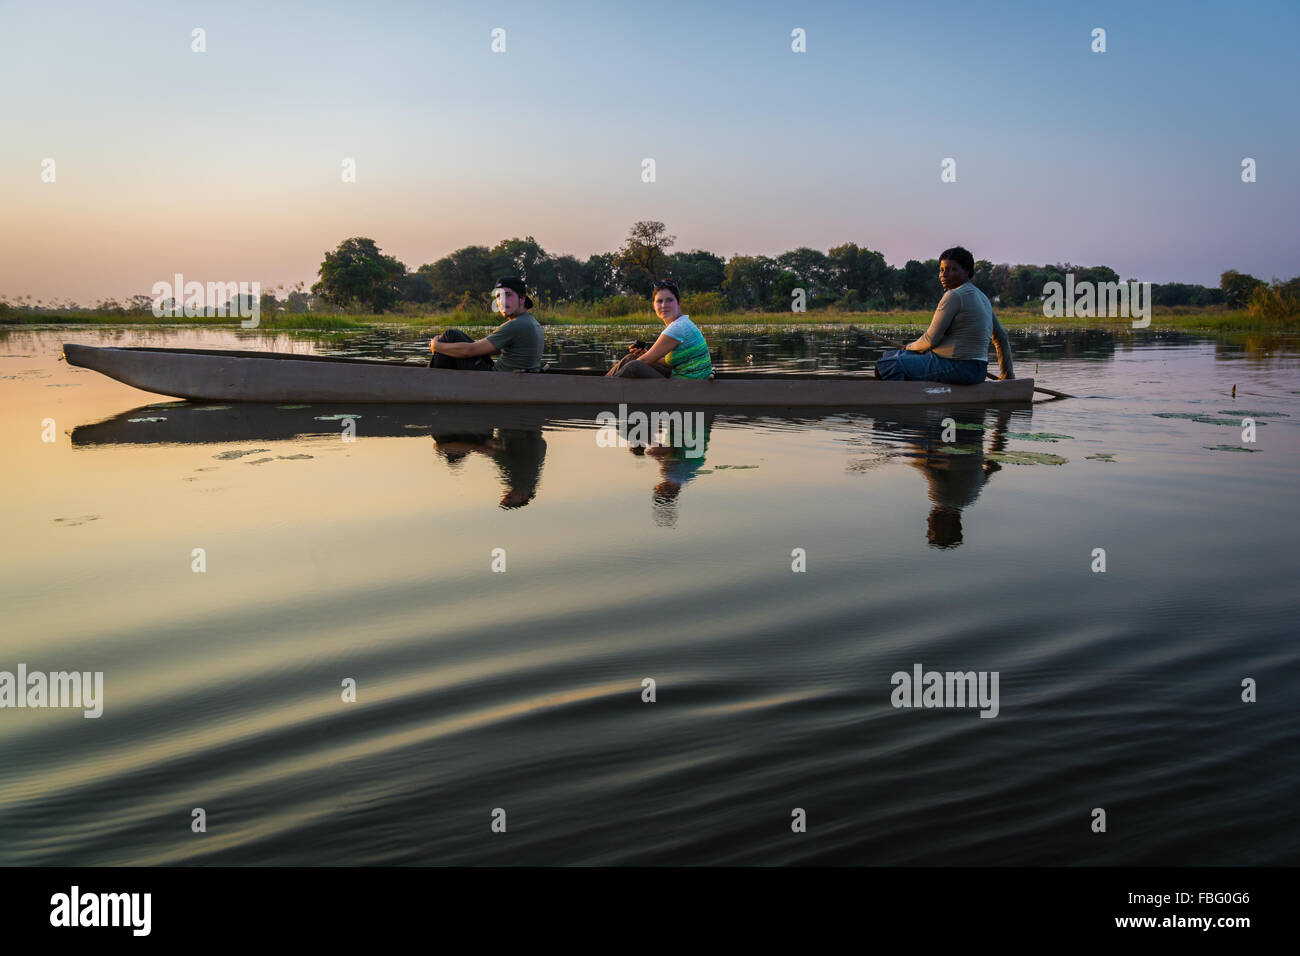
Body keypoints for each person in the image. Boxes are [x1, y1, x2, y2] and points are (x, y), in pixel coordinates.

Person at [875, 247, 1014, 384]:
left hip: (957, 368)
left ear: (966, 271)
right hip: (979, 371)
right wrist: (1007, 375)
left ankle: (907, 397)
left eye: (951, 269)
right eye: (942, 270)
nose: (944, 274)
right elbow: (1001, 337)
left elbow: (930, 340)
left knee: (887, 364)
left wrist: (909, 347)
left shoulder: (954, 295)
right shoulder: (983, 297)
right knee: (891, 356)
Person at [429, 277, 544, 372]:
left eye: (508, 295)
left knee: (451, 336)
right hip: (511, 379)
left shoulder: (516, 325)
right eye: (498, 296)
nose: (502, 301)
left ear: (522, 299)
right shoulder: (530, 321)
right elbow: (490, 350)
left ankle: (429, 385)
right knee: (454, 343)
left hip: (495, 382)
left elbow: (469, 351)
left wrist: (436, 346)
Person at [606, 279, 713, 379]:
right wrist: (644, 353)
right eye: (659, 301)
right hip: (683, 380)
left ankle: (601, 388)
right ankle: (604, 385)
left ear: (679, 303)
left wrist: (644, 357)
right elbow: (669, 363)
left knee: (633, 366)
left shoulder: (677, 327)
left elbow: (645, 361)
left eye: (669, 300)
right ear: (653, 305)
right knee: (631, 358)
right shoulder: (683, 322)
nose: (664, 305)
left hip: (687, 387)